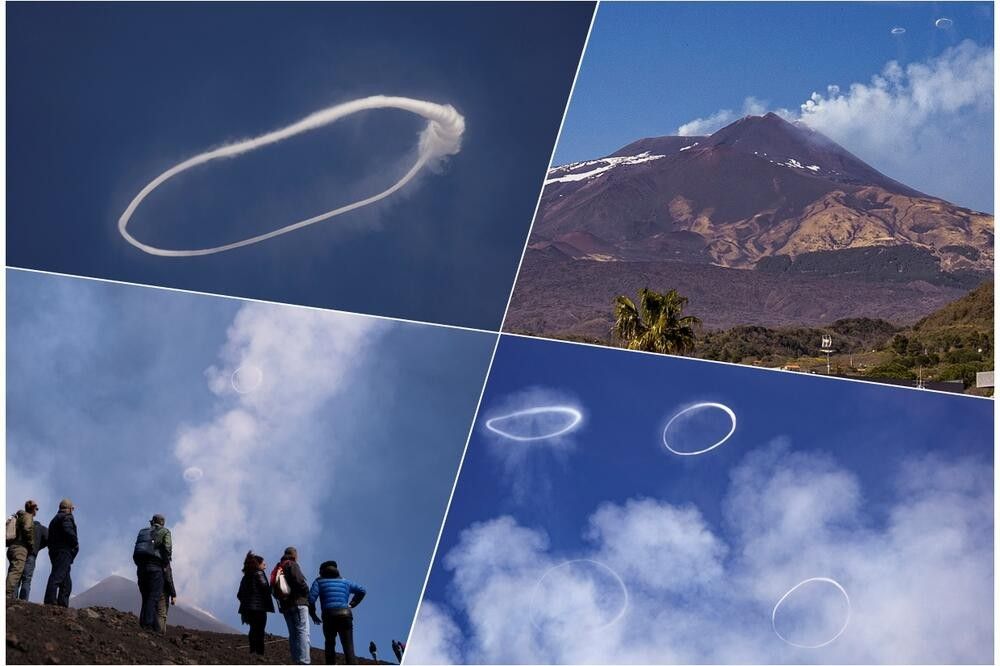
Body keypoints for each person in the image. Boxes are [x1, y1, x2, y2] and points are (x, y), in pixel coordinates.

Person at [307, 560, 366, 665]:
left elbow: (311, 599)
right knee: (349, 648)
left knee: (329, 645)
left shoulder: (319, 581)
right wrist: (352, 604)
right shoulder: (345, 582)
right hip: (345, 615)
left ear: (322, 571)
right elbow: (362, 590)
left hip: (329, 615)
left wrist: (313, 615)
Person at [133, 514, 172, 631]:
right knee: (154, 596)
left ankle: (148, 625)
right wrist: (166, 562)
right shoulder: (165, 531)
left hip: (141, 568)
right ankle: (148, 624)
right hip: (155, 567)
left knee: (146, 597)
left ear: (152, 522)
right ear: (162, 523)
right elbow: (168, 548)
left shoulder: (143, 531)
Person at [273, 546, 311, 664]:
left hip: (286, 606)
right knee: (303, 632)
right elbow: (299, 581)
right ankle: (304, 661)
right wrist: (307, 593)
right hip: (298, 603)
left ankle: (296, 661)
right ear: (294, 555)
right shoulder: (292, 564)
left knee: (293, 634)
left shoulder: (279, 567)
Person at [238, 551, 275, 656]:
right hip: (259, 608)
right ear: (258, 564)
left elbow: (239, 594)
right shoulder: (259, 573)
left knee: (253, 629)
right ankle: (259, 654)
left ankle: (252, 652)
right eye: (263, 563)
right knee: (260, 630)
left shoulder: (245, 577)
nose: (265, 565)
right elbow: (265, 588)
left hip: (247, 609)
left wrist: (247, 602)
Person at [44, 499, 78, 607]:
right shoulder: (66, 517)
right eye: (72, 509)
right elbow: (69, 532)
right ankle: (50, 601)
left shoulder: (54, 520)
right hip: (64, 551)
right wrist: (75, 544)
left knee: (66, 581)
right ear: (69, 508)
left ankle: (62, 605)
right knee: (57, 576)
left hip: (54, 551)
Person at [6, 500, 38, 599]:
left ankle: (8, 594)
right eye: (36, 509)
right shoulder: (28, 516)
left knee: (12, 571)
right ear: (33, 509)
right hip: (20, 548)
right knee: (16, 572)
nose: (36, 511)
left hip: (12, 547)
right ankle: (7, 595)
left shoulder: (20, 516)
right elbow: (27, 529)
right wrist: (31, 544)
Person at [17, 518, 48, 601]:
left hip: (21, 552)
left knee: (17, 577)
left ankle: (12, 598)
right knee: (27, 579)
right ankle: (23, 600)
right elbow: (48, 540)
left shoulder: (25, 526)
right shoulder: (43, 529)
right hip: (32, 555)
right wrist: (38, 547)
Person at [157, 563, 177, 634]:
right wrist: (173, 594)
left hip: (154, 589)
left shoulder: (154, 561)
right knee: (162, 614)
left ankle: (159, 633)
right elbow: (168, 579)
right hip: (163, 591)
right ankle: (158, 634)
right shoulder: (165, 562)